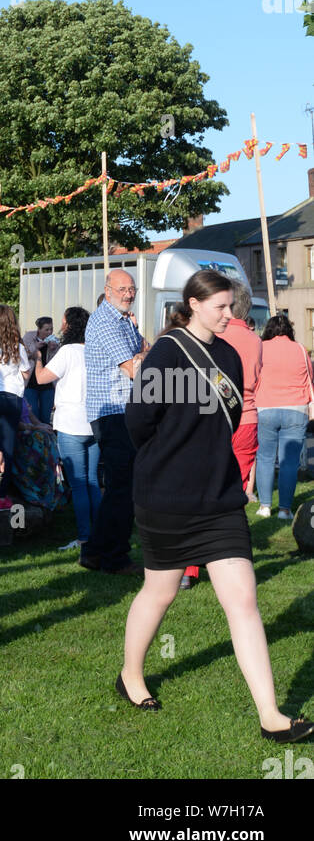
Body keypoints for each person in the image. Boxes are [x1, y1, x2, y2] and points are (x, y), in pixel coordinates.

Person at [120, 270, 313, 742]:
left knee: (244, 602)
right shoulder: (166, 352)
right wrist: (174, 458)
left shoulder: (229, 354)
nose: (231, 315)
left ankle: (271, 715)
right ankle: (131, 675)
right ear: (193, 304)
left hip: (221, 497)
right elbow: (137, 423)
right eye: (221, 307)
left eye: (232, 306)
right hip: (166, 496)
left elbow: (226, 423)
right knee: (159, 593)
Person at [182, 282, 262, 589]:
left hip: (212, 420)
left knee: (197, 490)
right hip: (246, 420)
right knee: (234, 496)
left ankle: (189, 568)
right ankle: (229, 562)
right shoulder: (255, 340)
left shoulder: (211, 337)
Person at [81, 269, 145, 576]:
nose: (128, 294)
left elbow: (144, 352)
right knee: (123, 487)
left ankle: (95, 552)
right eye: (122, 289)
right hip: (111, 413)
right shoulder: (106, 322)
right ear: (107, 291)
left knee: (122, 486)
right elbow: (135, 368)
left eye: (131, 289)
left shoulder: (124, 322)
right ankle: (114, 557)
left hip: (120, 411)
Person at [36, 306, 99, 554]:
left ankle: (85, 536)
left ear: (69, 325)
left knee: (80, 484)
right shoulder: (95, 350)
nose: (60, 327)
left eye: (63, 322)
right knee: (93, 482)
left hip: (71, 423)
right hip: (93, 421)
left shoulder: (67, 351)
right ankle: (100, 533)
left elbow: (41, 378)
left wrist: (39, 357)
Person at [0, 305, 48, 512]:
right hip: (11, 398)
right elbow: (26, 372)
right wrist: (20, 389)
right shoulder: (15, 346)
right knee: (7, 448)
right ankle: (0, 497)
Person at [255, 313, 314, 520]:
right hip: (296, 408)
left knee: (264, 458)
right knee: (289, 462)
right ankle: (284, 510)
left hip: (266, 407)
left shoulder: (261, 349)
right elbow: (310, 376)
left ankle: (264, 506)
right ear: (289, 331)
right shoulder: (300, 349)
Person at [23, 317, 59, 425]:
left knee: (45, 415)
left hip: (47, 383)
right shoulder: (29, 336)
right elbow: (22, 355)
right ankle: (35, 439)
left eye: (51, 329)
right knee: (33, 413)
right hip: (30, 382)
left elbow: (56, 363)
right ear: (39, 329)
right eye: (46, 329)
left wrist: (53, 350)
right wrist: (35, 347)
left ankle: (46, 440)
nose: (49, 332)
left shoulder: (54, 341)